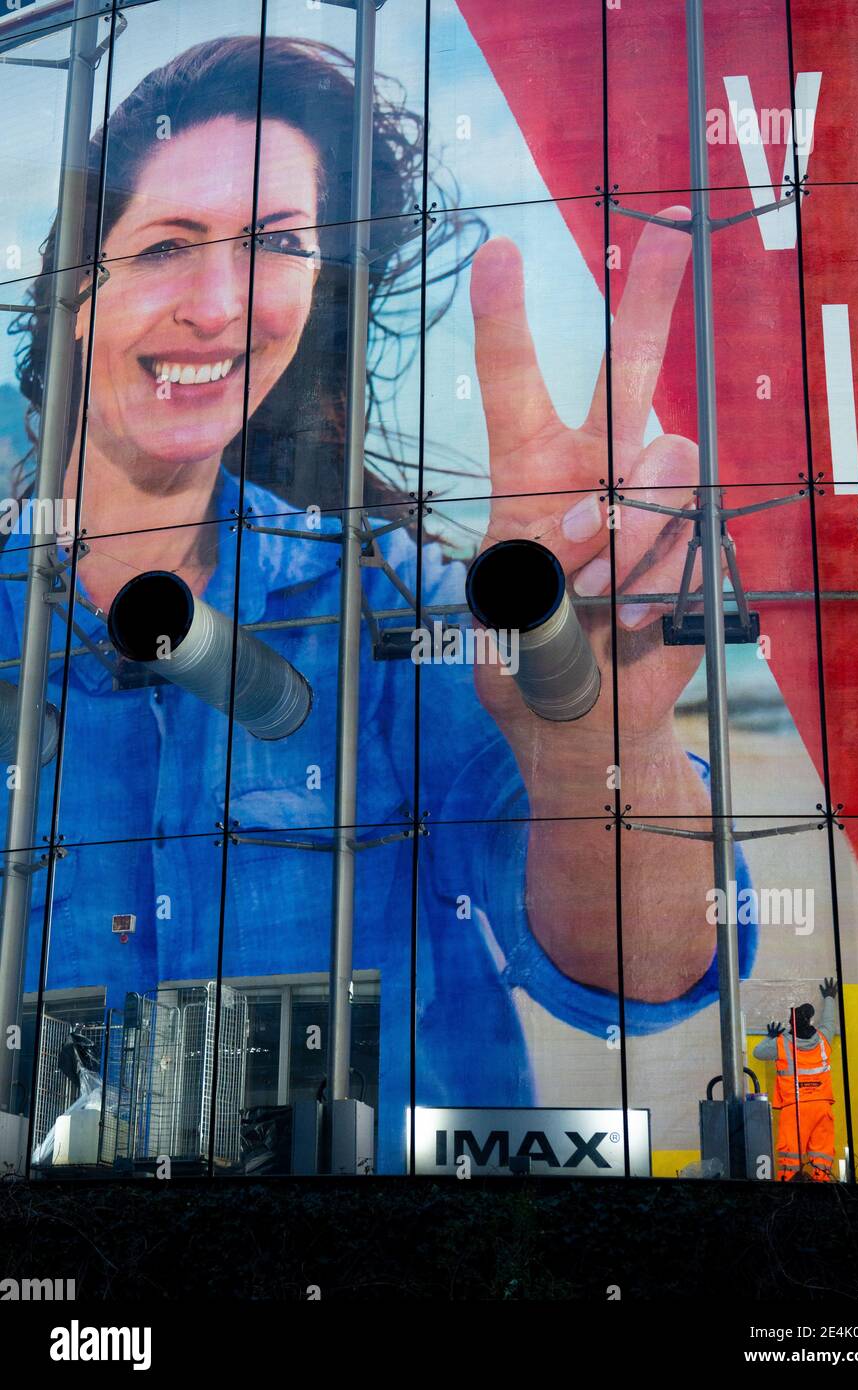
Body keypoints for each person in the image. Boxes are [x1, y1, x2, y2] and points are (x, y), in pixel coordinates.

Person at [1, 34, 756, 1172]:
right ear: (71, 291)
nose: (218, 304)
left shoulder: (402, 610)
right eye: (165, 245)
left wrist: (607, 742)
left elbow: (640, 976)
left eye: (275, 245)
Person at [753, 978, 838, 1181]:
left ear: (791, 1023)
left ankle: (788, 1191)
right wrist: (829, 998)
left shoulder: (780, 1044)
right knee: (822, 1156)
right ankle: (822, 1189)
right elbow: (829, 1023)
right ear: (809, 1021)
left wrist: (770, 1037)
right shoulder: (824, 1039)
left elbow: (758, 1052)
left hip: (795, 1109)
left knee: (790, 1156)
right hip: (822, 1107)